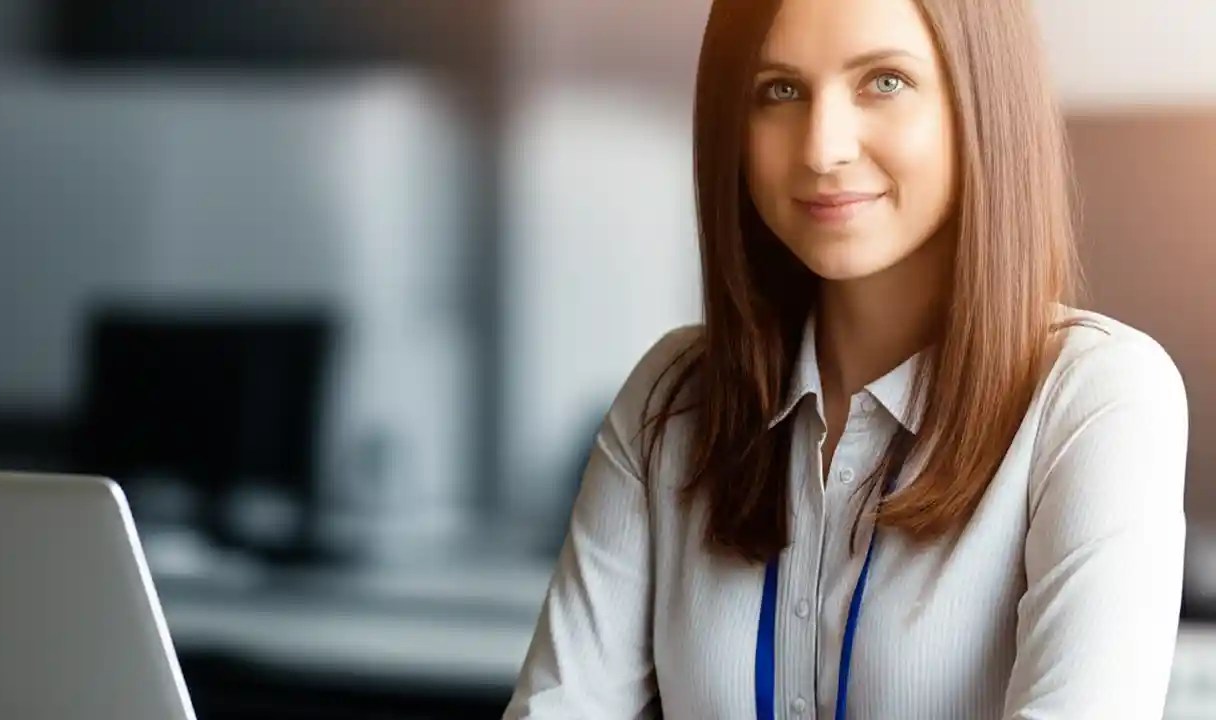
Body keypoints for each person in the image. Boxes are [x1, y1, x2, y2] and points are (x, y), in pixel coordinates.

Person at [503, 0, 1190, 717]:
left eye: (884, 81)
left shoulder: (1099, 397)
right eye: (780, 90)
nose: (820, 149)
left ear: (980, 100)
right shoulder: (671, 398)